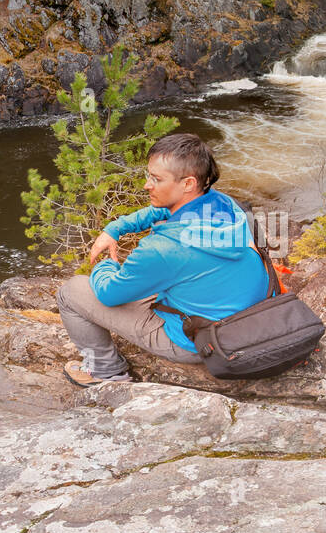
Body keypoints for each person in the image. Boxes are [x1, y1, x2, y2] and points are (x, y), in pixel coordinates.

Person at [59, 132, 270, 386]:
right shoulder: (226, 205)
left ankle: (106, 371)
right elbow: (163, 210)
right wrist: (116, 227)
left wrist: (108, 265)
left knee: (71, 292)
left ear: (188, 184)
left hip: (199, 341)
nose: (147, 185)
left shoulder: (163, 248)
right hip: (247, 319)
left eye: (156, 179)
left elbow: (108, 294)